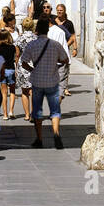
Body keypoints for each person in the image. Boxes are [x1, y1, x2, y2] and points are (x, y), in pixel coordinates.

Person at [20, 16, 69, 149]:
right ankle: (56, 134)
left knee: (37, 111)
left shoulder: (32, 45)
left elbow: (23, 62)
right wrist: (54, 63)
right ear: (47, 30)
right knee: (55, 110)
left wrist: (33, 69)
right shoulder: (55, 45)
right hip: (52, 81)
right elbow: (65, 59)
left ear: (37, 30)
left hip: (37, 81)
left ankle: (39, 138)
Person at [0, 27, 18, 121]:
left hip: (2, 70)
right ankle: (11, 111)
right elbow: (16, 57)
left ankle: (5, 114)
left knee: (4, 93)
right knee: (12, 91)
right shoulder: (13, 47)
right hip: (11, 69)